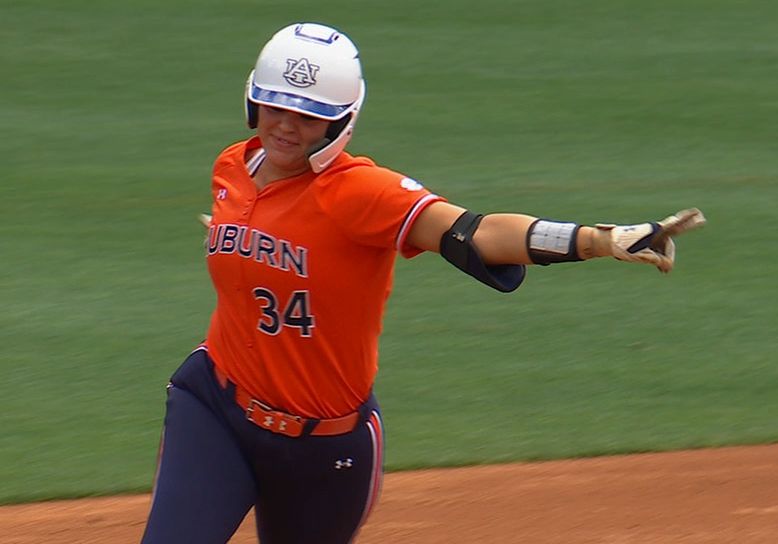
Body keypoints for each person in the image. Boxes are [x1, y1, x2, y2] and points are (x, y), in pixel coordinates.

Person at [141, 22, 705, 544]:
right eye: (275, 105)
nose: (286, 125)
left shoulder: (360, 192)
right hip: (216, 408)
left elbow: (477, 233)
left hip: (324, 446)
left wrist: (598, 240)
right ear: (253, 100)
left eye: (309, 115)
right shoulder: (233, 168)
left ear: (340, 122)